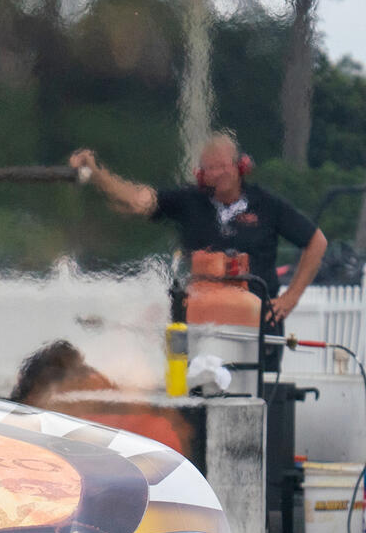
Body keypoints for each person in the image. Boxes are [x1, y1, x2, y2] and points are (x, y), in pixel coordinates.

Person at [69, 133, 327, 370]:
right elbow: (138, 201)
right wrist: (96, 174)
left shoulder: (267, 206)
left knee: (256, 390)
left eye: (223, 165)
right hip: (198, 325)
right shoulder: (189, 201)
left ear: (240, 166)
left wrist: (290, 298)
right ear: (201, 174)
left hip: (256, 325)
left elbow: (316, 242)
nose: (218, 173)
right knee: (191, 386)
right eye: (210, 168)